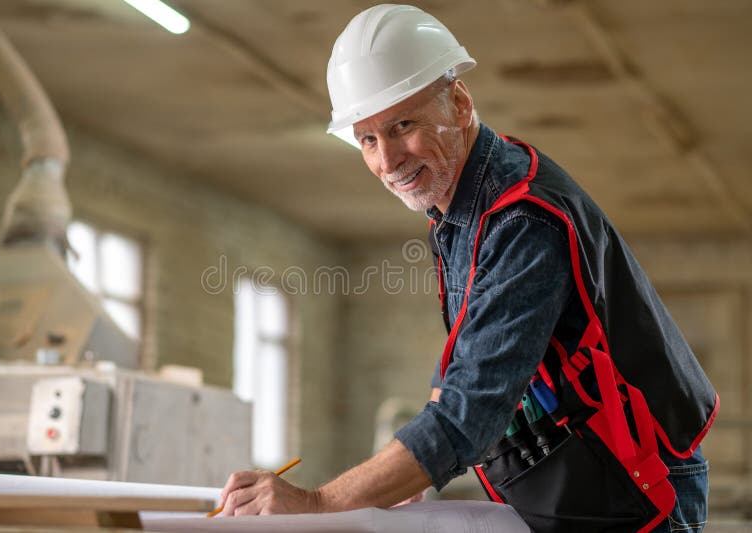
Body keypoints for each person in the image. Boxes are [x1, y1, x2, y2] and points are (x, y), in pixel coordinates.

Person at [217, 5, 718, 532]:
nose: (387, 162)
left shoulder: (524, 218)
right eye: (367, 139)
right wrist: (413, 473)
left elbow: (467, 415)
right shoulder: (455, 211)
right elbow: (461, 365)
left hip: (637, 480)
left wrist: (317, 503)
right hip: (583, 481)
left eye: (402, 125)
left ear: (459, 103)